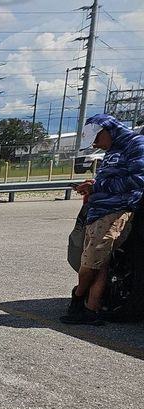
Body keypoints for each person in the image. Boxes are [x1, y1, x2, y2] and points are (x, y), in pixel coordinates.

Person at [62, 114, 144, 324]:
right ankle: (91, 308)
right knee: (101, 262)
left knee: (92, 261)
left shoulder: (136, 145)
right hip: (98, 211)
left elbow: (138, 180)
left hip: (114, 212)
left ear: (107, 130)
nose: (96, 145)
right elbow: (113, 177)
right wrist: (93, 184)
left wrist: (97, 187)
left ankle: (77, 299)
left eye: (97, 140)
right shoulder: (113, 150)